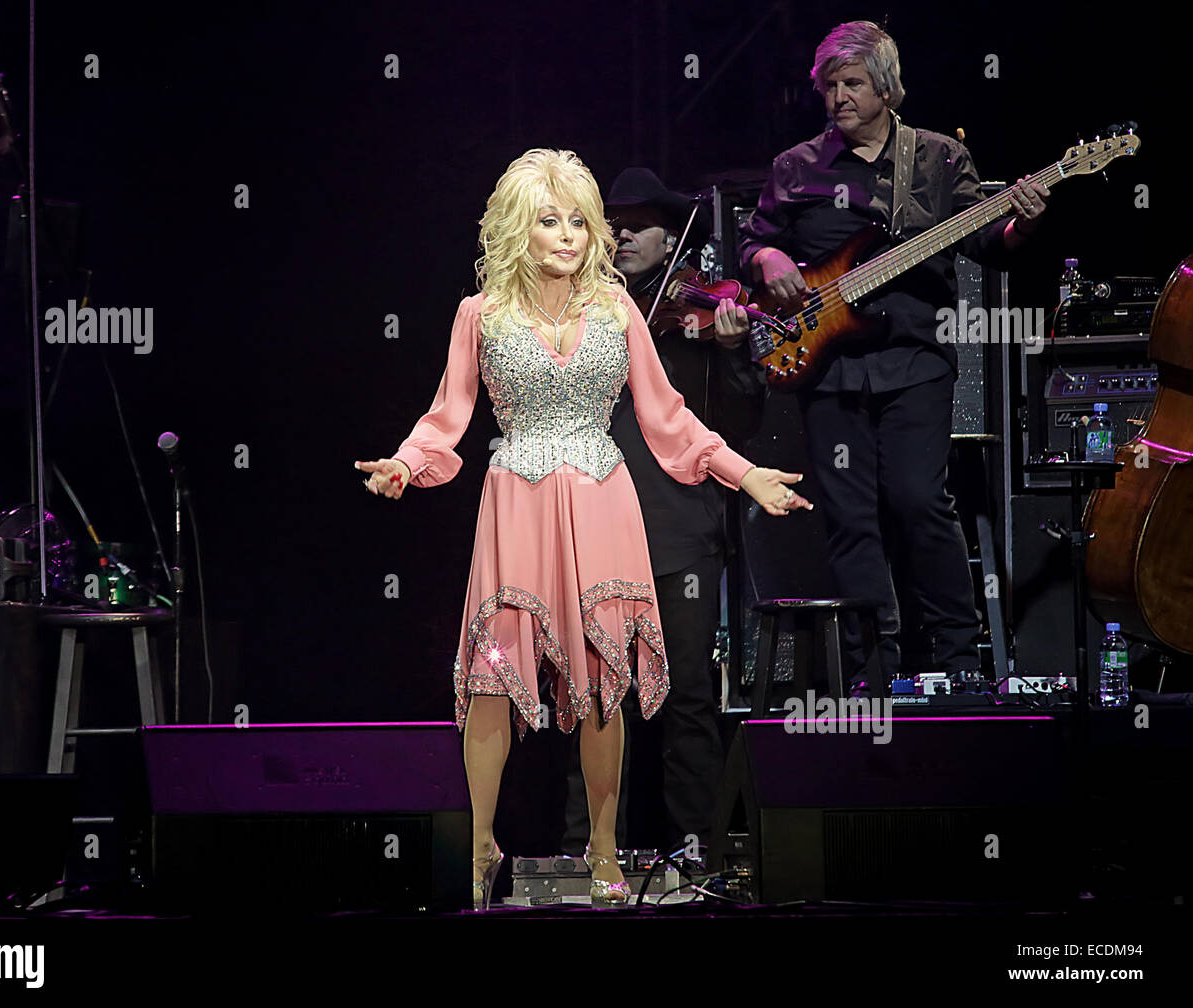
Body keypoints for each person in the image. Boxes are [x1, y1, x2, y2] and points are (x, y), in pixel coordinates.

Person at [355, 149, 811, 909]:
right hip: (516, 502)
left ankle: (603, 847)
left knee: (605, 685)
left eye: (576, 221)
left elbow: (670, 420)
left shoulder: (617, 308)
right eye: (548, 220)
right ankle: (479, 846)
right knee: (491, 678)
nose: (567, 235)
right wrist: (406, 464)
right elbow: (446, 419)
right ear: (516, 229)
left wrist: (745, 472)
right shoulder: (482, 315)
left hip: (603, 499)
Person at [724, 21, 1048, 687]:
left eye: (853, 83)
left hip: (914, 362)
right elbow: (750, 243)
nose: (838, 96)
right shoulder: (796, 166)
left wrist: (1023, 222)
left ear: (888, 89)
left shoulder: (937, 159)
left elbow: (985, 245)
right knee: (848, 519)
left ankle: (958, 663)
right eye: (829, 86)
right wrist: (772, 255)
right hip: (830, 365)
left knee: (918, 499)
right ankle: (874, 668)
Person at [560, 167, 764, 863]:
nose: (618, 234)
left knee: (686, 693)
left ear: (675, 237)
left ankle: (695, 847)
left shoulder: (698, 318)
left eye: (639, 223)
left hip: (679, 524)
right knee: (591, 693)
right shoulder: (583, 314)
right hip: (594, 522)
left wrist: (735, 352)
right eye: (609, 221)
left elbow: (739, 423)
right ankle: (586, 848)